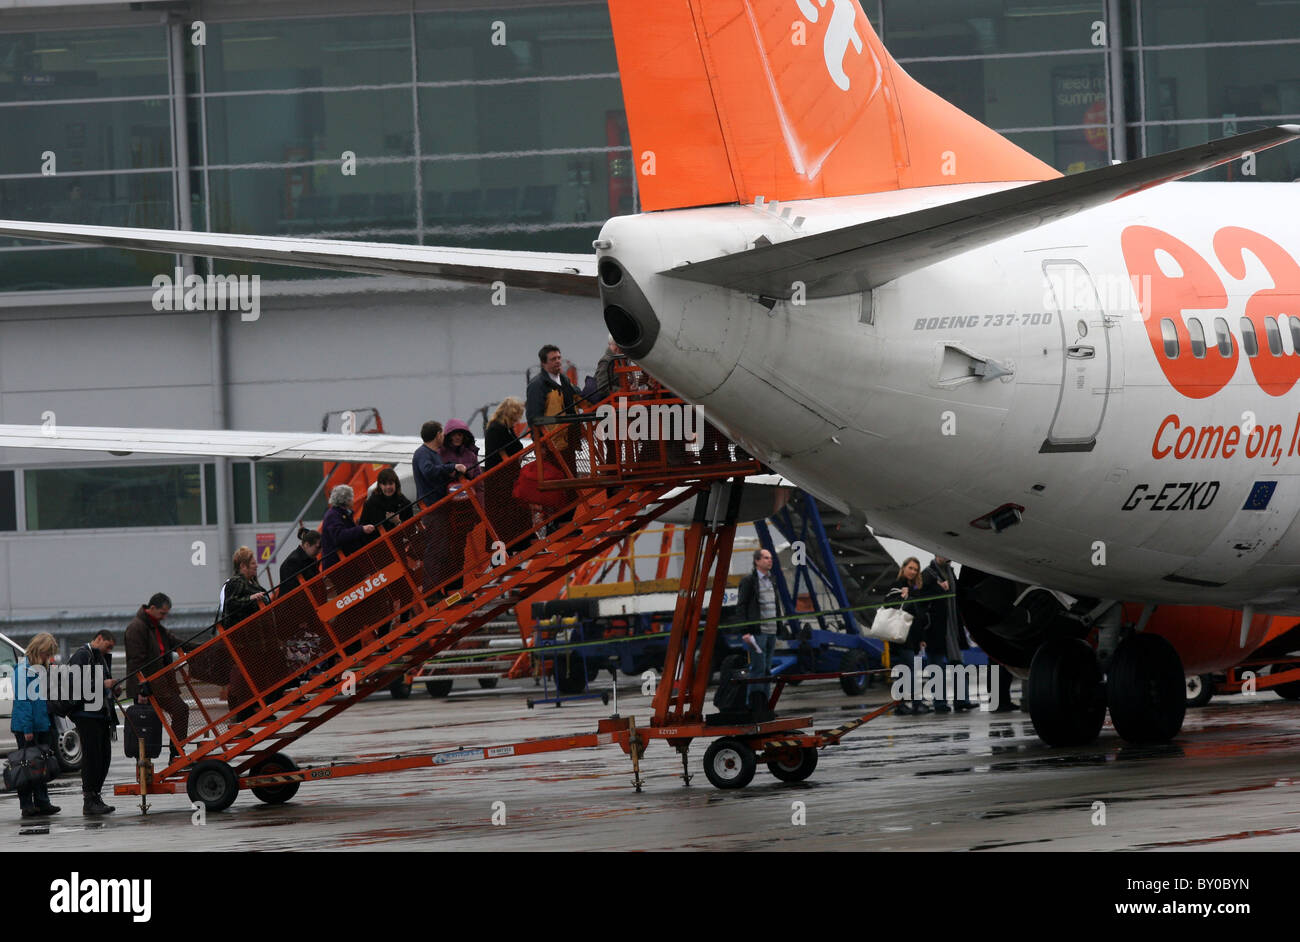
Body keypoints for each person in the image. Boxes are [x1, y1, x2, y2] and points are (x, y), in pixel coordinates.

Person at [124, 593, 192, 762]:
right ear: (152, 608)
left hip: (160, 682)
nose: (164, 617)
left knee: (177, 712)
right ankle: (171, 755)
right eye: (162, 613)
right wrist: (141, 688)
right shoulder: (137, 627)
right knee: (151, 724)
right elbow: (135, 661)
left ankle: (175, 752)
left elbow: (176, 642)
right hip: (148, 685)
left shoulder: (156, 627)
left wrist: (205, 645)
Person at [66, 629, 117, 815]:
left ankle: (96, 796)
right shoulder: (82, 655)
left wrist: (112, 690)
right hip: (86, 716)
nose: (108, 650)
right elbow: (75, 684)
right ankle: (89, 800)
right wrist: (103, 686)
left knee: (103, 758)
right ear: (99, 638)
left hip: (100, 715)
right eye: (108, 646)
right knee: (92, 758)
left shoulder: (99, 657)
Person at [10, 632, 60, 818]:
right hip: (28, 726)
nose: (49, 657)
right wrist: (27, 729)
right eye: (47, 653)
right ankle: (27, 805)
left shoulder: (41, 669)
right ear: (39, 650)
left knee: (40, 766)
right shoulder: (22, 670)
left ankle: (42, 801)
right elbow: (23, 702)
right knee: (26, 767)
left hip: (42, 724)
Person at [919, 555, 975, 711]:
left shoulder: (950, 572)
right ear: (936, 555)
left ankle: (962, 701)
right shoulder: (927, 574)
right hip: (935, 629)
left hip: (952, 628)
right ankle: (940, 703)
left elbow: (959, 595)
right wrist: (939, 588)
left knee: (958, 665)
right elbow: (920, 600)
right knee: (937, 668)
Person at [736, 548, 783, 702]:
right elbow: (742, 606)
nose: (770, 560)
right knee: (758, 669)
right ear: (757, 561)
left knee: (768, 670)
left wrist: (780, 625)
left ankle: (764, 703)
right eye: (766, 558)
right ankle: (753, 704)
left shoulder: (772, 580)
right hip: (758, 632)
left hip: (772, 630)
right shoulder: (749, 581)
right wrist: (745, 630)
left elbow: (776, 605)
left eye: (770, 558)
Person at [886, 557, 930, 716]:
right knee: (909, 671)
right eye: (910, 568)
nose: (913, 572)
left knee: (906, 671)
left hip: (912, 637)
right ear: (903, 568)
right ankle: (914, 703)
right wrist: (902, 596)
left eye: (915, 569)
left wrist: (922, 638)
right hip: (902, 636)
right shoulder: (897, 585)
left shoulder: (914, 588)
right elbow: (889, 605)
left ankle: (903, 704)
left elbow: (918, 615)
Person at [525, 344, 582, 458]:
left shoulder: (564, 380)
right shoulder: (537, 385)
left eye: (559, 358)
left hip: (568, 439)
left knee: (570, 472)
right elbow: (533, 417)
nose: (558, 361)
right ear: (543, 363)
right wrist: (540, 444)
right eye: (553, 359)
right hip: (551, 442)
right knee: (556, 474)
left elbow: (576, 399)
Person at [484, 398, 525, 546]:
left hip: (507, 475)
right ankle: (509, 542)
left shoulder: (506, 428)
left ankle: (518, 539)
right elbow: (501, 452)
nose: (518, 419)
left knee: (514, 510)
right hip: (500, 479)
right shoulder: (497, 428)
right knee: (505, 513)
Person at [319, 485, 376, 572]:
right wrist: (361, 529)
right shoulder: (333, 515)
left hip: (342, 564)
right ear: (346, 500)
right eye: (351, 498)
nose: (353, 500)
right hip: (337, 567)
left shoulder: (337, 514)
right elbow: (339, 536)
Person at [412, 421, 465, 507]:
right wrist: (453, 466)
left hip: (439, 505)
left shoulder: (433, 453)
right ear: (438, 435)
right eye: (443, 434)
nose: (444, 436)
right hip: (431, 506)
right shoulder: (422, 453)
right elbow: (428, 471)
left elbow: (437, 474)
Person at [359, 469, 414, 535]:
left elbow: (411, 530)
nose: (388, 487)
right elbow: (362, 529)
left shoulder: (405, 504)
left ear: (396, 484)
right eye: (384, 484)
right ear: (379, 485)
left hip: (399, 543)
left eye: (390, 483)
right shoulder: (370, 504)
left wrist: (398, 522)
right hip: (378, 543)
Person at [278, 528, 321, 593]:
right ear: (307, 545)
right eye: (318, 547)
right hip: (293, 601)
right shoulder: (293, 562)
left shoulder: (311, 559)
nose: (320, 551)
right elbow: (293, 587)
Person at [594, 336, 624, 401]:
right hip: (612, 403)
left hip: (622, 400)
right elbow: (603, 387)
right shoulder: (606, 361)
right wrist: (623, 390)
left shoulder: (620, 359)